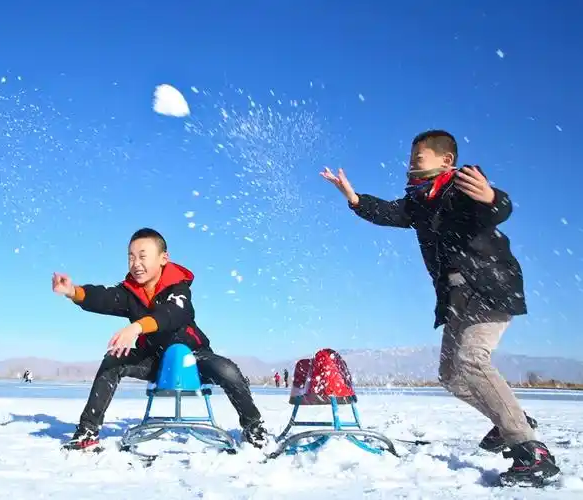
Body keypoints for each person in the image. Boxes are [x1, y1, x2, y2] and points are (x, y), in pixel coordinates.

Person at [321, 129, 559, 486]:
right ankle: (512, 418)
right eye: (410, 159)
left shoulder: (461, 185)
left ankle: (529, 449)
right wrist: (354, 198)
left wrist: (493, 198)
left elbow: (497, 207)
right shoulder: (420, 202)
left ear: (446, 160)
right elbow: (388, 212)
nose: (410, 165)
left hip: (489, 289)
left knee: (471, 361)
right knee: (450, 375)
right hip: (455, 298)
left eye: (418, 159)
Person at [52, 227, 270, 452]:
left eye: (143, 256)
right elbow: (106, 298)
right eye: (131, 257)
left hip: (192, 359)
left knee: (227, 369)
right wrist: (73, 292)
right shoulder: (130, 293)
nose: (136, 263)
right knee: (112, 360)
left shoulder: (179, 288)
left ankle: (254, 428)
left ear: (163, 258)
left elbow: (172, 314)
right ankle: (87, 431)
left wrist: (137, 327)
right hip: (155, 362)